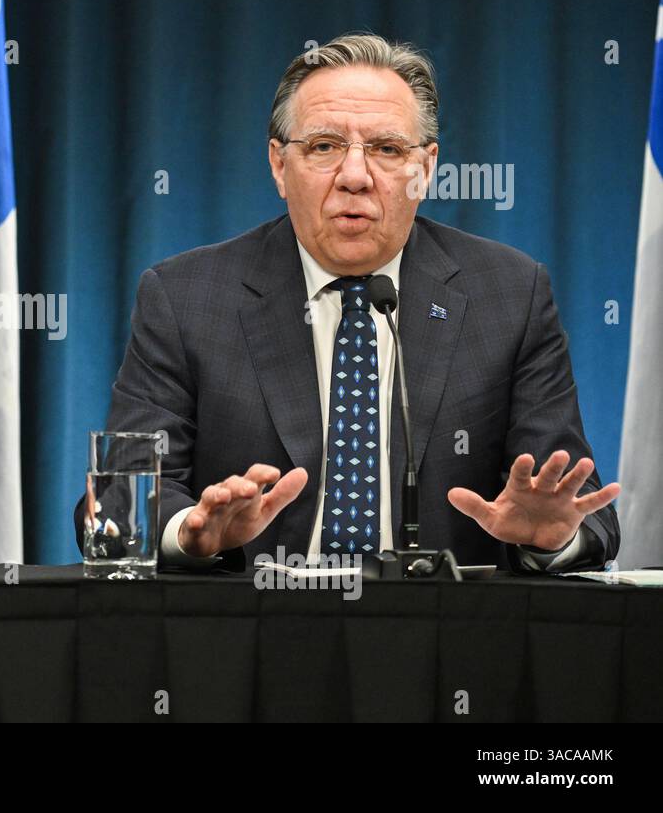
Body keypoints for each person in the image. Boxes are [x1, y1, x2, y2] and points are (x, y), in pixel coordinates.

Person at [75, 33, 619, 572]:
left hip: (443, 639)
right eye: (324, 146)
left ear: (425, 170)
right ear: (278, 165)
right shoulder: (186, 296)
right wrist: (188, 532)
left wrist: (550, 539)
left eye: (387, 149)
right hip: (251, 631)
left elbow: (577, 504)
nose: (355, 177)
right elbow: (116, 505)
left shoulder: (508, 294)